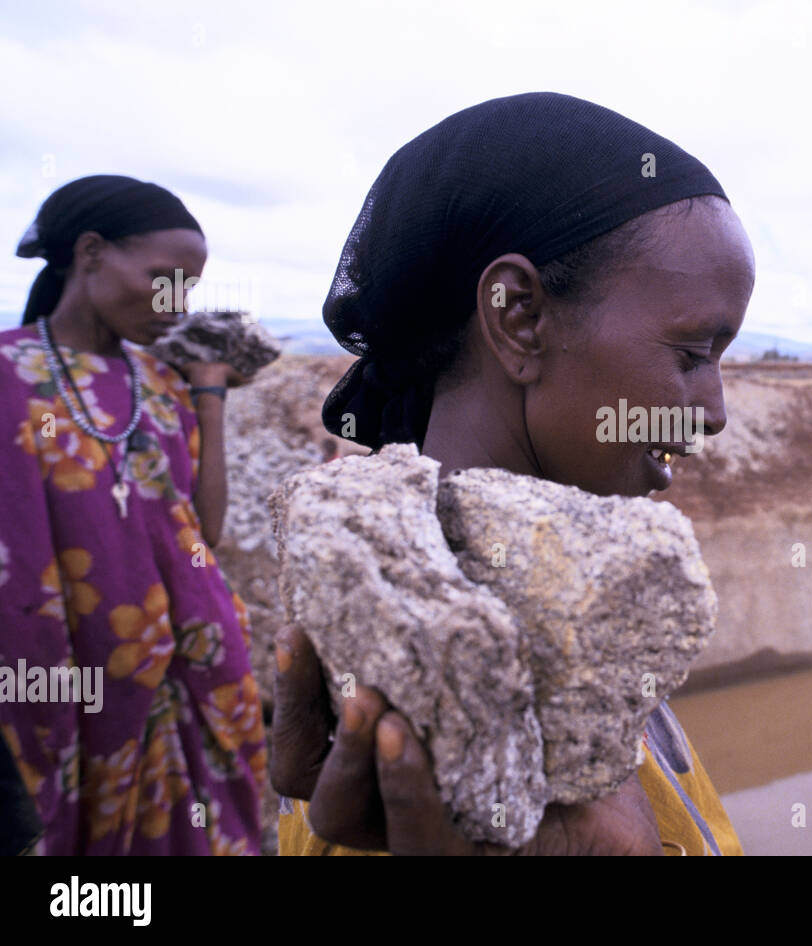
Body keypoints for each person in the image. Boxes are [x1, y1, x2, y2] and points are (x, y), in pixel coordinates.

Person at [272, 92, 755, 856]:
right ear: (518, 314)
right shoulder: (420, 750)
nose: (715, 411)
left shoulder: (562, 623)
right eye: (693, 356)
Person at [0, 175, 266, 854]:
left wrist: (209, 392)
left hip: (183, 669)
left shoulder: (164, 385)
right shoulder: (7, 374)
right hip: (58, 675)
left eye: (190, 289)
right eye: (163, 279)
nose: (176, 306)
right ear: (90, 253)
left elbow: (200, 533)